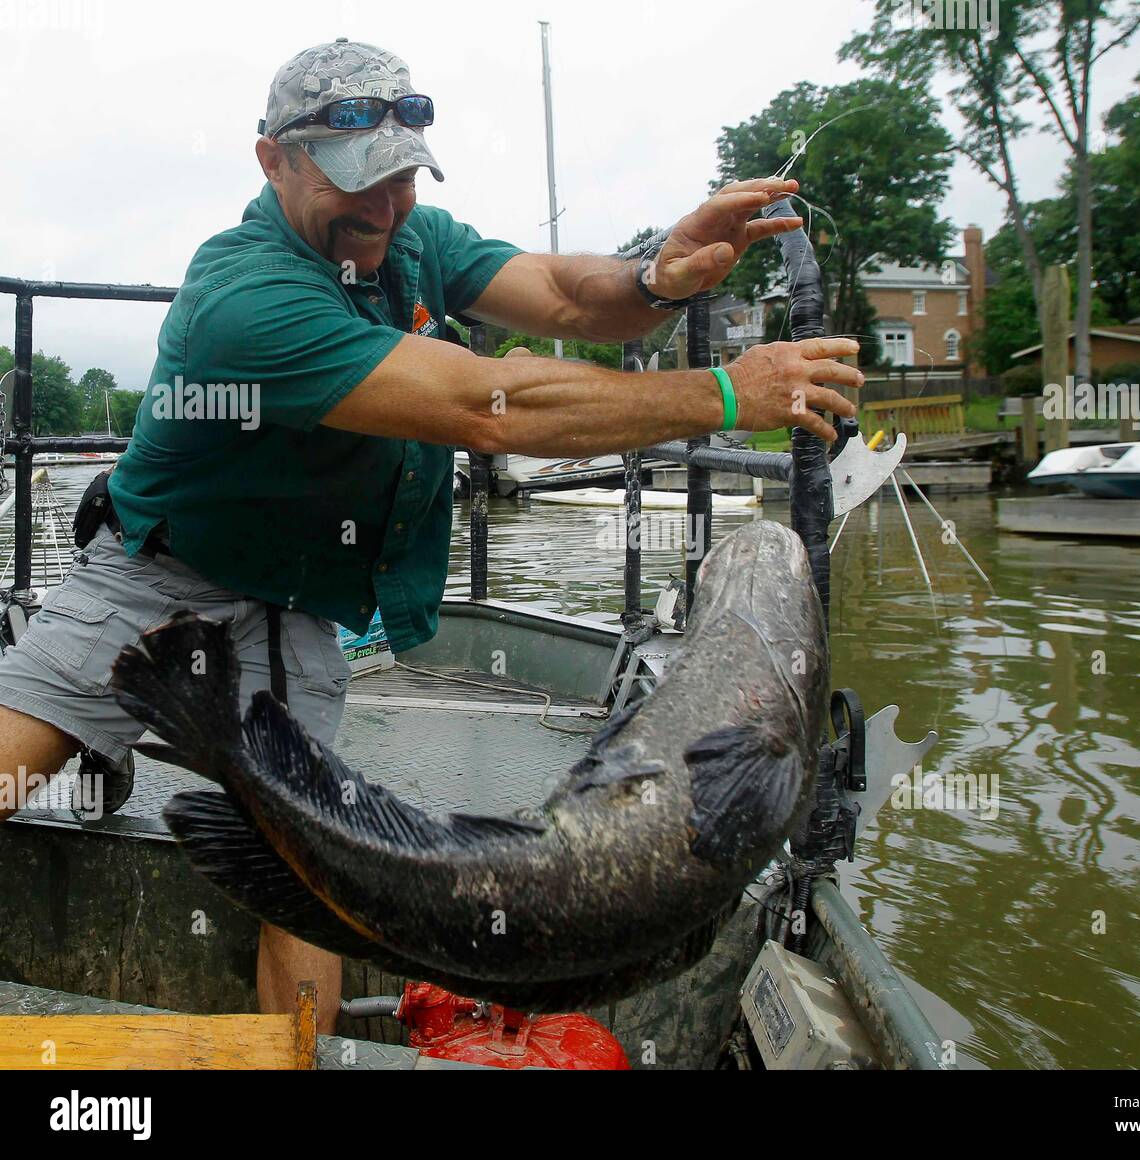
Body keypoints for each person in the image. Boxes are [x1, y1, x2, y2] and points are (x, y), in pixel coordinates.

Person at [0, 38, 860, 1030]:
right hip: (157, 573)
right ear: (271, 161)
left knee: (311, 862)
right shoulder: (242, 299)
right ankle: (83, 747)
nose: (384, 209)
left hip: (293, 607)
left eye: (401, 180)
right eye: (357, 181)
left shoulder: (411, 239)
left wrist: (659, 274)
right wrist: (721, 392)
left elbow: (566, 295)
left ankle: (297, 1055)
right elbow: (491, 409)